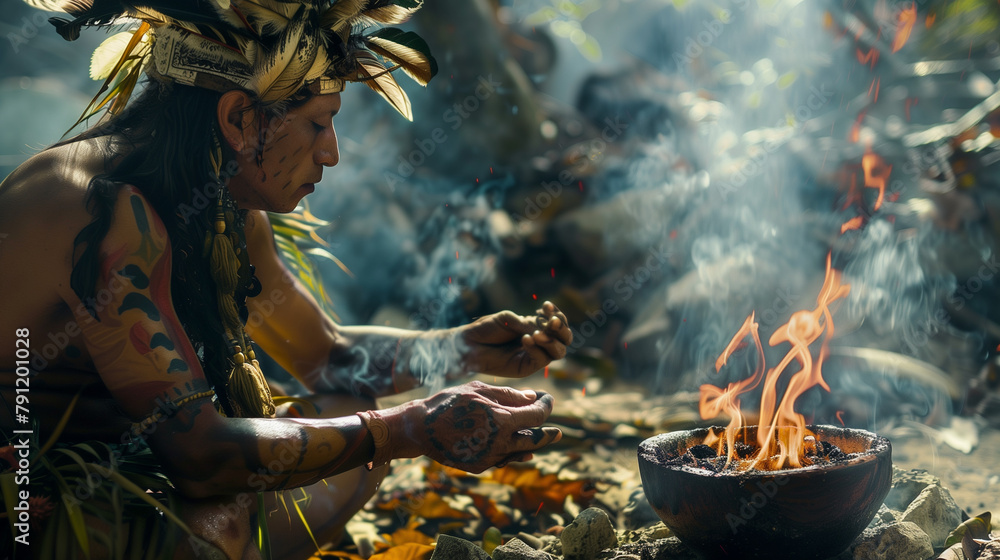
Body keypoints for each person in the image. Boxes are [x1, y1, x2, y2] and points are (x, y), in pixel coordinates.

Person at [0, 0, 571, 558]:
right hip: (21, 505)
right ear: (239, 120)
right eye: (319, 124)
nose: (332, 154)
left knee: (345, 403)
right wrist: (409, 428)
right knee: (215, 529)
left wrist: (460, 349)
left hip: (121, 474)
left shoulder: (220, 200)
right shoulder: (95, 210)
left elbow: (328, 355)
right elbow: (200, 458)